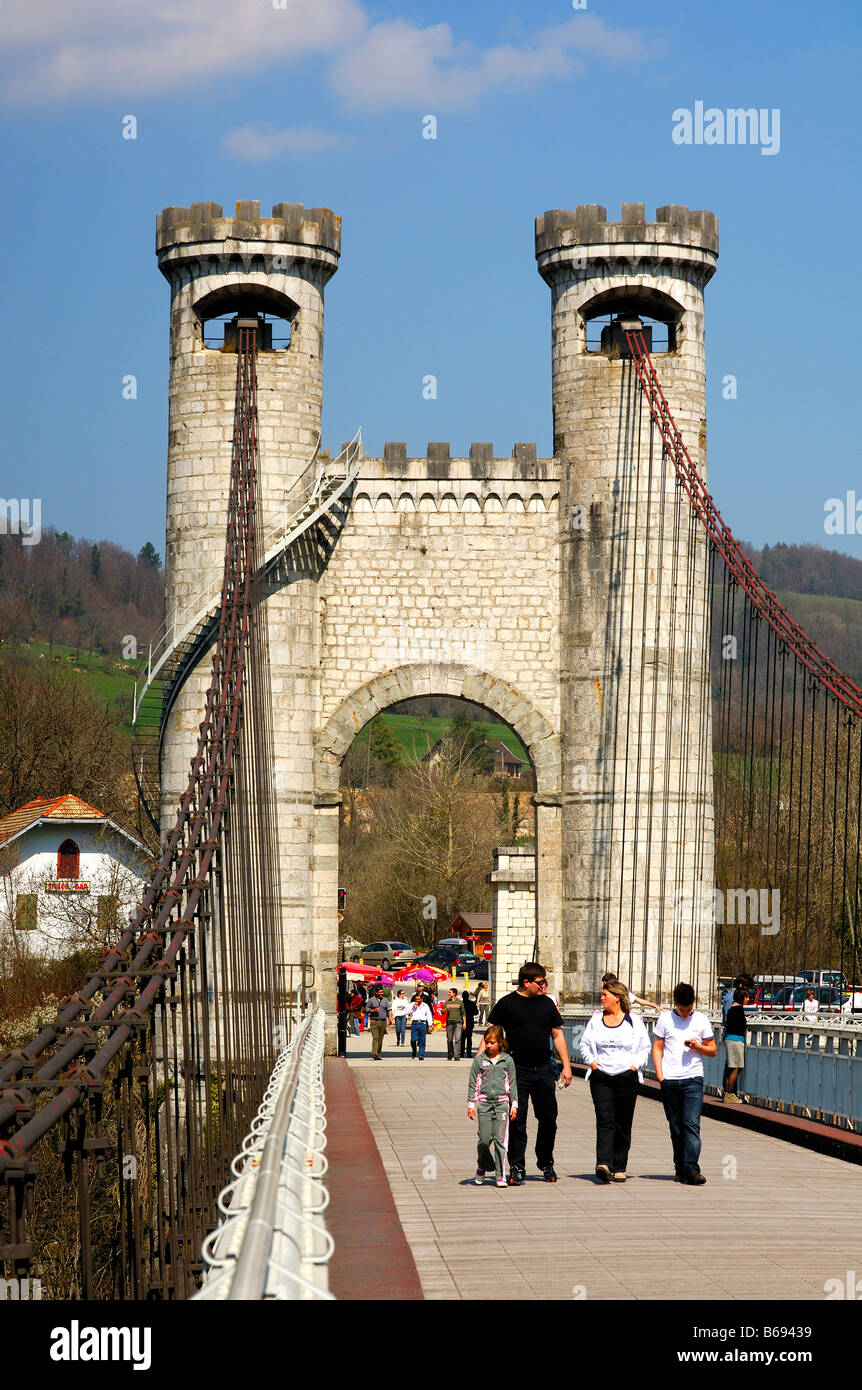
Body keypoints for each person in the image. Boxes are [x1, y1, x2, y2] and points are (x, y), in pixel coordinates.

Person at [486, 962, 572, 1185]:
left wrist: (566, 1065)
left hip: (544, 1069)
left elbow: (558, 1035)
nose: (544, 986)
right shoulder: (507, 1004)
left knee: (548, 1119)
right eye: (541, 982)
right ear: (527, 982)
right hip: (516, 1070)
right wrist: (483, 1062)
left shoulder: (547, 1004)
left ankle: (546, 1162)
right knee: (517, 1120)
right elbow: (492, 1035)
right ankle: (516, 1166)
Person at [580, 980, 651, 1182]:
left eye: (605, 995)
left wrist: (634, 1067)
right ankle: (604, 1163)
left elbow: (645, 1047)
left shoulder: (634, 1021)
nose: (601, 998)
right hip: (601, 1077)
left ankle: (620, 1165)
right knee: (604, 1120)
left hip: (627, 1077)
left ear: (617, 997)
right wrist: (593, 1064)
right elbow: (584, 1045)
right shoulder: (595, 1019)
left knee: (623, 1123)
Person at [652, 982, 717, 1186]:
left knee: (691, 1124)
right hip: (670, 1080)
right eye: (681, 1010)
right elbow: (657, 1048)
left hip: (693, 1079)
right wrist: (660, 1075)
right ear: (675, 1004)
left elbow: (713, 1050)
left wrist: (698, 1046)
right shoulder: (665, 1019)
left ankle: (692, 1169)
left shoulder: (701, 1020)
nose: (685, 1013)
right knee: (676, 1127)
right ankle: (680, 1167)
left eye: (688, 1009)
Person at [467, 1025, 519, 1188]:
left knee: (500, 1140)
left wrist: (514, 1104)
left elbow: (512, 1082)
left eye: (492, 1043)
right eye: (487, 1042)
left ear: (501, 1043)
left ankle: (500, 1174)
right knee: (484, 1140)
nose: (489, 1046)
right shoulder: (479, 1060)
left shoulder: (507, 1060)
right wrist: (471, 1103)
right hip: (484, 1104)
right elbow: (473, 1082)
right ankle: (482, 1165)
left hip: (502, 1104)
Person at [723, 987, 748, 1103]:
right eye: (746, 997)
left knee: (730, 1067)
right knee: (736, 1067)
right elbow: (742, 1025)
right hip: (736, 1040)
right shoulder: (739, 1009)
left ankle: (727, 1094)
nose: (748, 999)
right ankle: (729, 1094)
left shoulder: (730, 1009)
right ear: (742, 998)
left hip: (729, 1039)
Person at [368, 986, 393, 1061]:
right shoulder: (371, 1000)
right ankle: (374, 1053)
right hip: (374, 1021)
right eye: (380, 992)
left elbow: (389, 1009)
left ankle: (378, 1054)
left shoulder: (385, 1000)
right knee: (375, 1037)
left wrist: (390, 1017)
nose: (381, 994)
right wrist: (372, 1010)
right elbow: (366, 1009)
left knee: (380, 1039)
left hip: (382, 1022)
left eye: (382, 992)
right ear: (376, 993)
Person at [408, 992, 434, 1060]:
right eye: (416, 999)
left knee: (422, 1040)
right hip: (414, 1023)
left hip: (423, 1023)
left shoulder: (425, 1006)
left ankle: (421, 1055)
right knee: (413, 1039)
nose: (417, 1001)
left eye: (418, 999)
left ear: (421, 999)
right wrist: (413, 1007)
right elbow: (406, 1012)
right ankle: (414, 1050)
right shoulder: (411, 1005)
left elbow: (429, 1015)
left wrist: (430, 1025)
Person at [443, 988, 466, 1059]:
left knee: (458, 1040)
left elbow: (463, 1013)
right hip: (449, 1023)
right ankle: (450, 1053)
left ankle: (457, 1055)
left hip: (458, 1023)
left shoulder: (459, 1002)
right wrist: (446, 1009)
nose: (449, 994)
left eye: (450, 992)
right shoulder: (447, 1002)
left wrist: (464, 1023)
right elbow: (442, 1012)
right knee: (449, 1040)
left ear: (454, 994)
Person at [460, 989, 479, 1058]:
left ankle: (461, 1053)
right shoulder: (472, 1003)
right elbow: (476, 1012)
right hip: (470, 1022)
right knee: (469, 1038)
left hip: (462, 1022)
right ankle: (469, 1053)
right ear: (468, 996)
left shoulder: (460, 1003)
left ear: (462, 996)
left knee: (462, 1039)